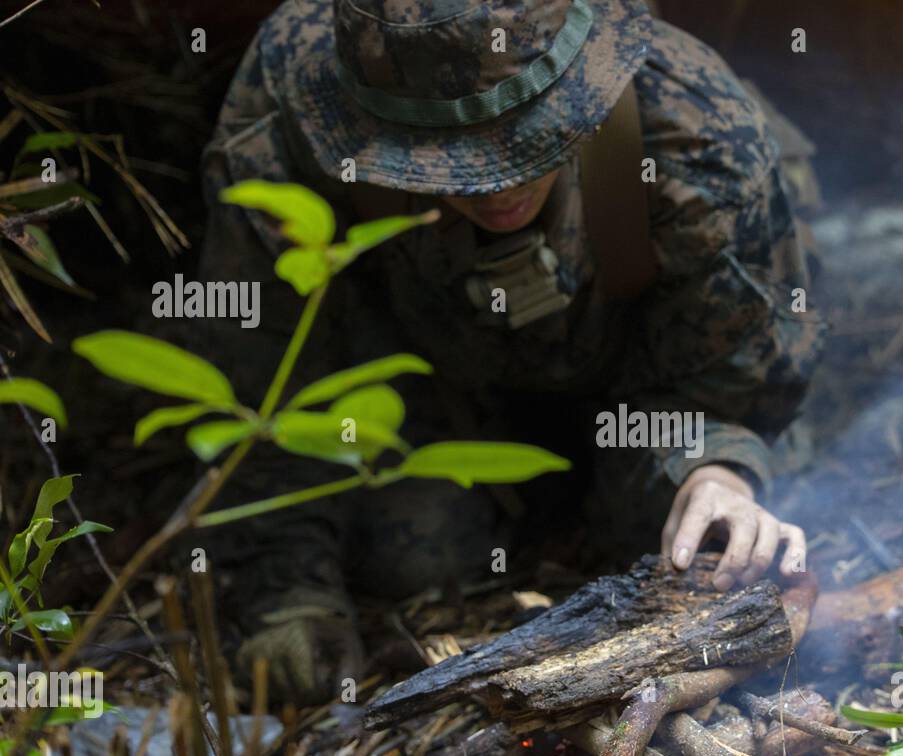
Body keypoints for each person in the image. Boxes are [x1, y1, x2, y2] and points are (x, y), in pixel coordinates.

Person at [194, 0, 826, 703]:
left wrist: (719, 472)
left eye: (525, 139)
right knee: (413, 556)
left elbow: (732, 377)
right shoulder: (295, 108)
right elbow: (267, 372)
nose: (496, 186)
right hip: (435, 374)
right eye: (446, 159)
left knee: (688, 545)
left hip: (644, 382)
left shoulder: (692, 128)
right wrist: (288, 593)